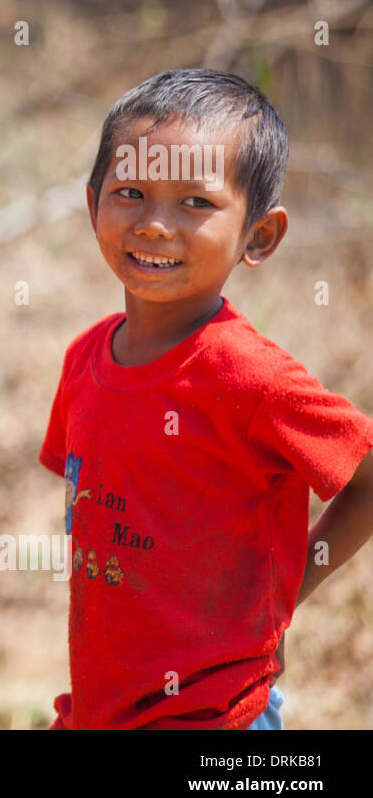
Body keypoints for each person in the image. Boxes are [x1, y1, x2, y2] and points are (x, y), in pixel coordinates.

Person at [39, 68, 373, 729]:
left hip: (216, 715)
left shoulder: (250, 379)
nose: (156, 225)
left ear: (259, 235)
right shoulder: (85, 358)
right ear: (92, 204)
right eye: (131, 192)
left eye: (196, 202)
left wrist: (287, 594)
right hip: (101, 708)